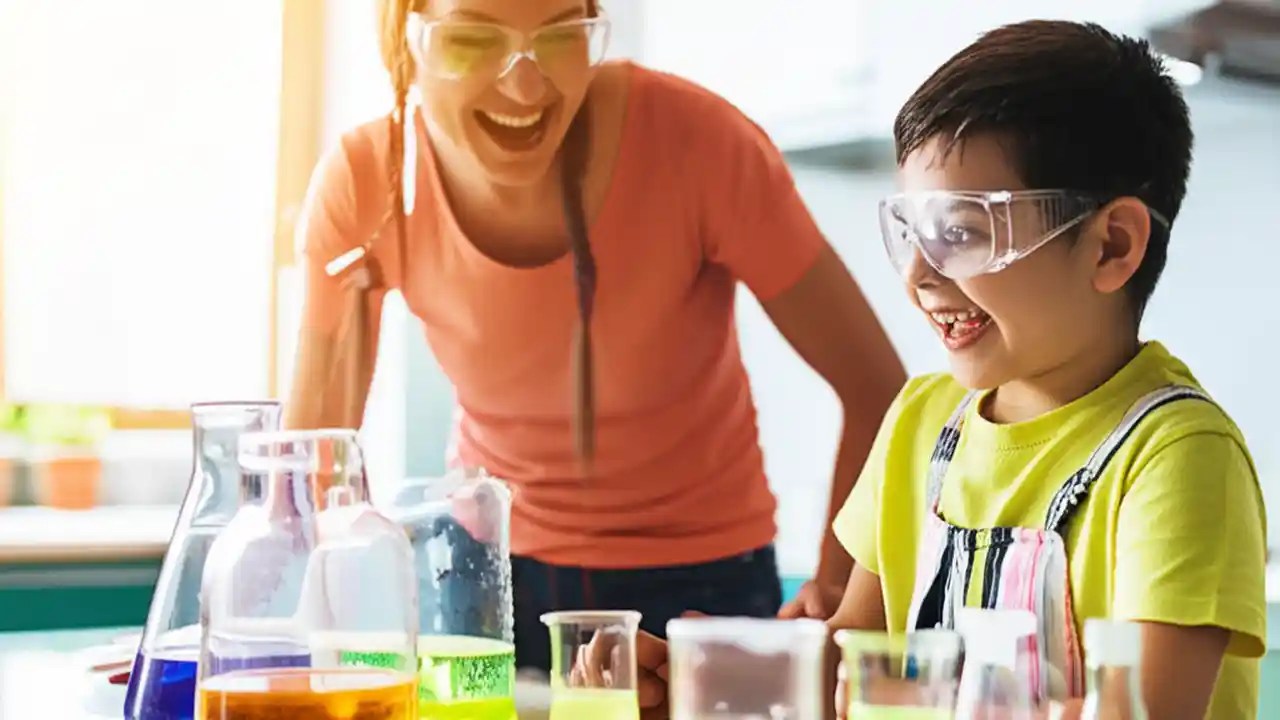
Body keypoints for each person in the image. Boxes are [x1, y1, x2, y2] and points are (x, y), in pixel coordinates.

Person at [635, 19, 1267, 720]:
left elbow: (1147, 712)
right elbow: (847, 672)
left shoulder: (1177, 458)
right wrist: (695, 676)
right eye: (913, 232)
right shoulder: (921, 421)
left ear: (1110, 246)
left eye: (962, 233)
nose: (919, 276)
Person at [285, 0, 906, 672]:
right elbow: (307, 465)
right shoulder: (366, 183)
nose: (525, 86)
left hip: (701, 586)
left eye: (559, 37)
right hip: (487, 575)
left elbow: (878, 390)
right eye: (470, 39)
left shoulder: (702, 144)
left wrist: (842, 597)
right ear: (404, 39)